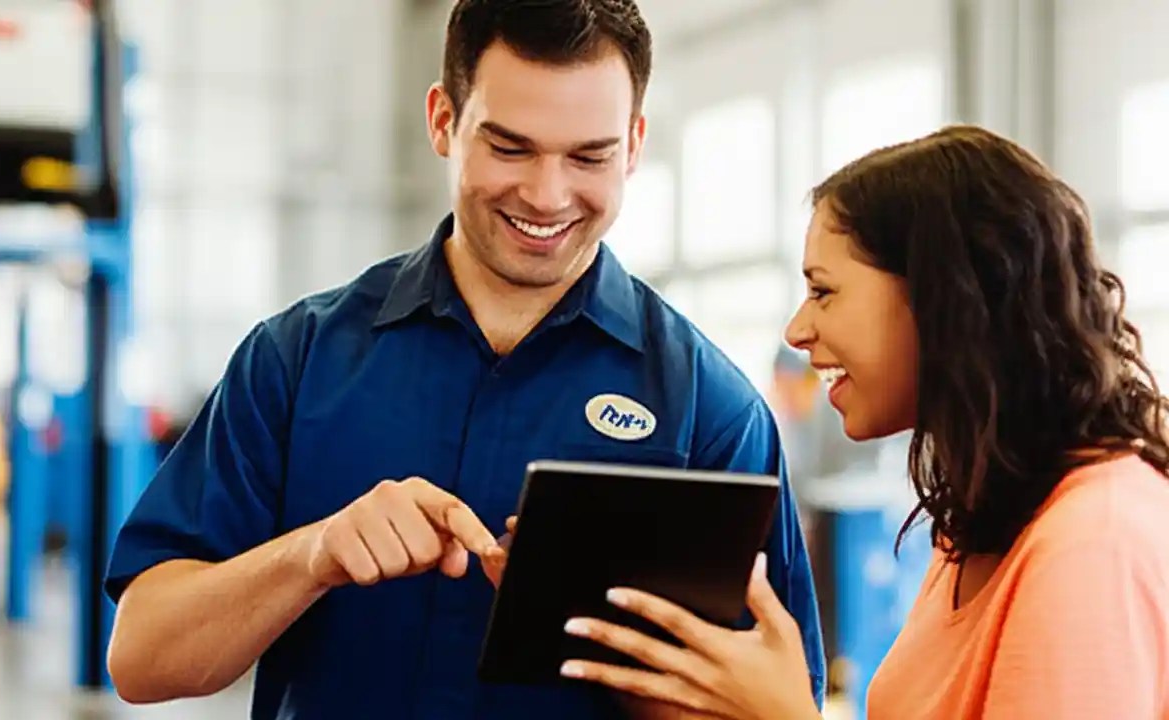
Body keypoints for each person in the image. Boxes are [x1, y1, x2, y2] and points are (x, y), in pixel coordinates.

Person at [102, 1, 825, 718]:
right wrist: (312, 556)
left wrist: (616, 647)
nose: (546, 195)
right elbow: (142, 659)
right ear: (443, 120)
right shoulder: (295, 362)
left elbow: (777, 701)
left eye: (589, 156)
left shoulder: (711, 414)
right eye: (509, 148)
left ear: (634, 145)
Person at [556, 124, 1169, 719]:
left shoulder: (1092, 543)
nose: (798, 330)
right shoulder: (983, 521)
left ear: (941, 298)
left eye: (824, 292)